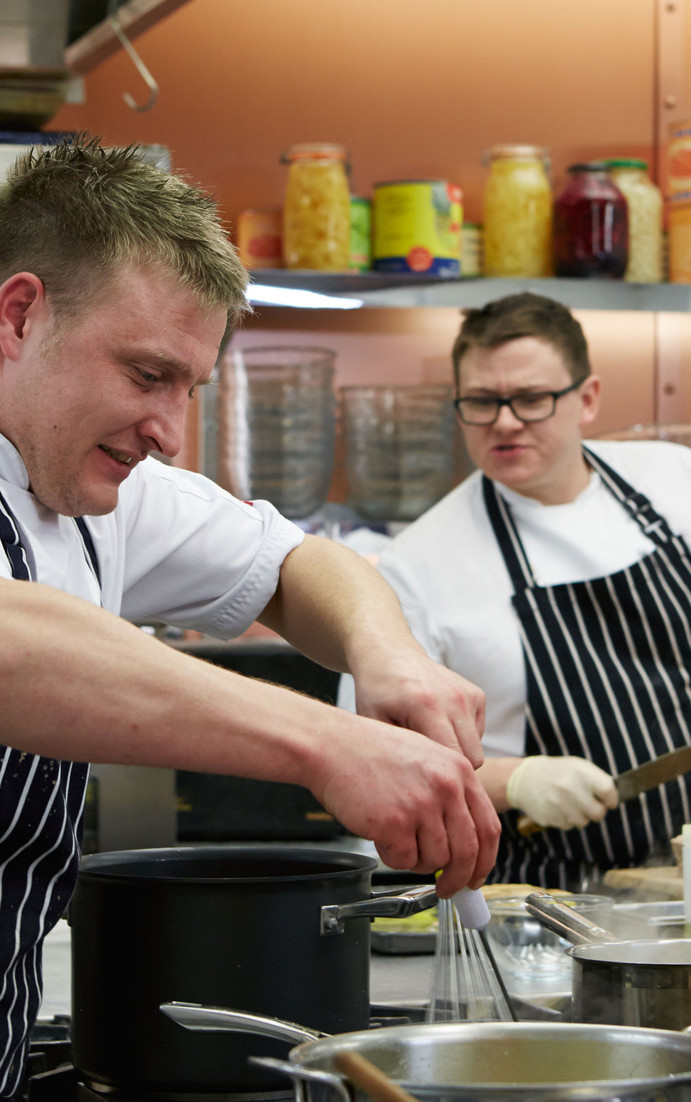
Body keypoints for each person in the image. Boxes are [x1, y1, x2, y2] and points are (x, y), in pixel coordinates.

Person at [0, 135, 501, 1099]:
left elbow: (300, 562)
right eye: (147, 375)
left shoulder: (94, 483)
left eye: (190, 388)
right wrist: (328, 744)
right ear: (20, 314)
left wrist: (389, 661)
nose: (170, 431)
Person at [340, 291, 691, 891]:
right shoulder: (414, 567)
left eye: (530, 399)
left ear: (589, 398)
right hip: (539, 906)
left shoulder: (685, 483)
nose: (504, 421)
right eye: (481, 401)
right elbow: (365, 757)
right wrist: (515, 780)